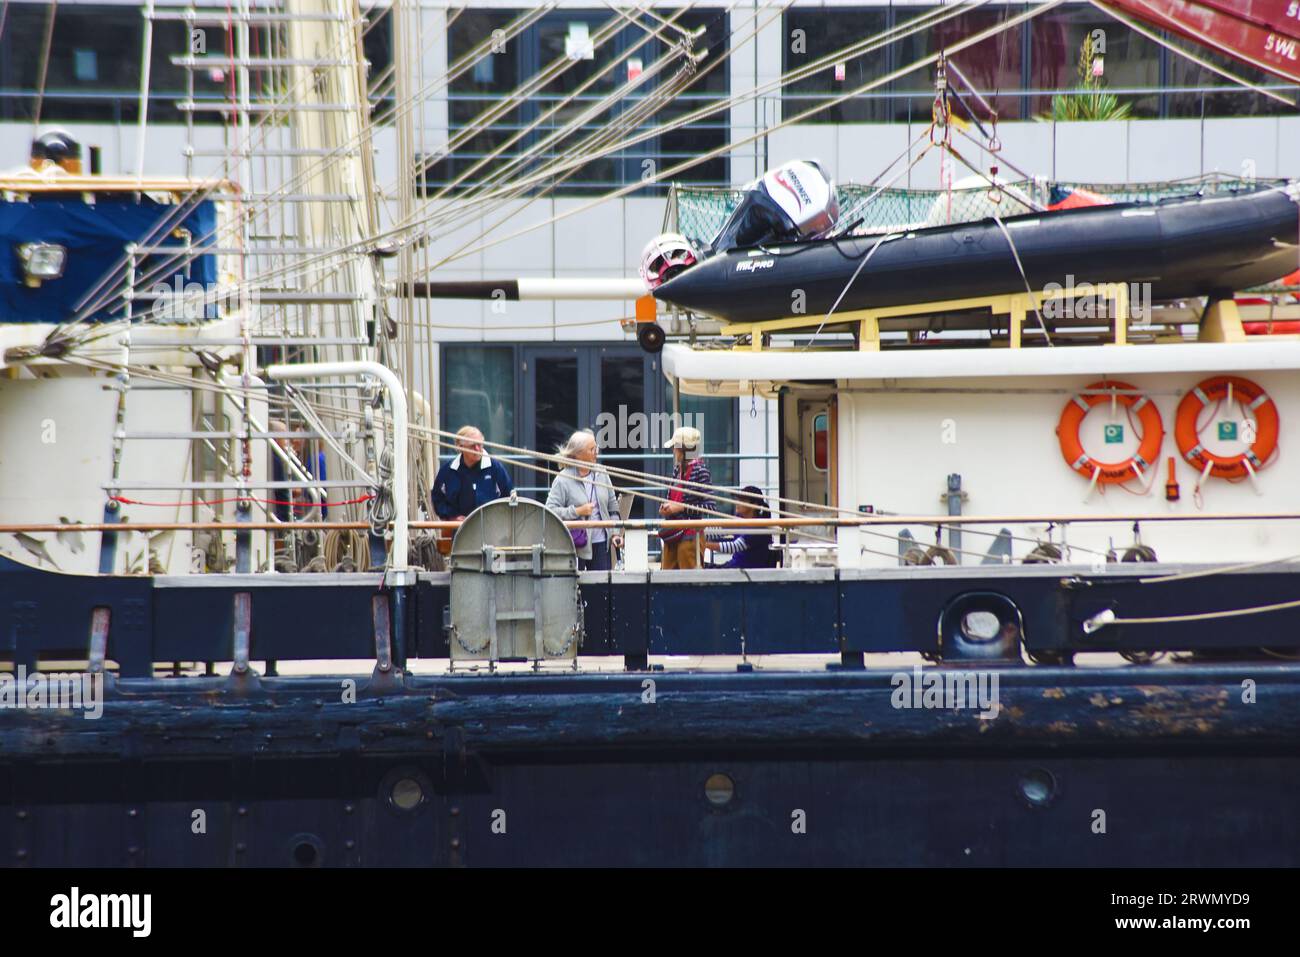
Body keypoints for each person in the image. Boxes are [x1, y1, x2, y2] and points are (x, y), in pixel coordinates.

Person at [546, 429, 623, 571]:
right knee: (577, 589)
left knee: (600, 589)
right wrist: (577, 511)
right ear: (579, 454)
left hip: (601, 544)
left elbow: (613, 508)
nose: (596, 452)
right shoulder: (562, 479)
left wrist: (615, 533)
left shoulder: (602, 473)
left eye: (596, 448)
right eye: (592, 449)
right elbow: (550, 510)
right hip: (577, 545)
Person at [432, 425, 514, 520]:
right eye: (472, 446)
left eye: (480, 445)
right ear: (461, 447)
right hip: (459, 527)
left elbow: (509, 497)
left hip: (491, 527)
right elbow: (438, 499)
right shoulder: (448, 470)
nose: (478, 449)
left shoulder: (495, 468)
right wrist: (453, 516)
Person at [658, 425, 711, 569]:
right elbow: (673, 498)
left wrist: (680, 507)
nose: (673, 451)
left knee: (688, 580)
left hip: (690, 535)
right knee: (667, 578)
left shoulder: (701, 471)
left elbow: (710, 507)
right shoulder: (677, 469)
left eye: (675, 447)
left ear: (684, 450)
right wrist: (667, 506)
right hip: (673, 533)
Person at [703, 486, 781, 568]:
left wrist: (703, 544)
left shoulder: (759, 526)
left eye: (742, 500)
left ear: (754, 505)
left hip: (747, 572)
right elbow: (718, 531)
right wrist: (697, 536)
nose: (737, 503)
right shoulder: (739, 518)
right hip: (736, 568)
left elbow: (735, 546)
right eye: (738, 499)